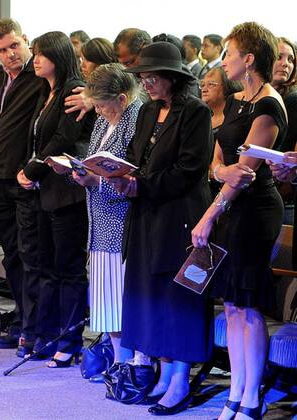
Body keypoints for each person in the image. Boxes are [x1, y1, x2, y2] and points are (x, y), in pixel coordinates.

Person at [108, 41, 213, 415]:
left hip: (180, 215)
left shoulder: (196, 113)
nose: (147, 84)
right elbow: (139, 158)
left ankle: (180, 378)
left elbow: (189, 170)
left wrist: (142, 184)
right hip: (147, 215)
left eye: (152, 77)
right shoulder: (149, 110)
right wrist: (122, 175)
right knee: (150, 293)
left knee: (178, 298)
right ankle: (166, 373)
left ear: (172, 77)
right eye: (143, 78)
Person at [192, 22, 285, 420]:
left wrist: (208, 215)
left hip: (254, 211)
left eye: (229, 53)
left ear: (248, 59)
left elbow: (246, 172)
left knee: (247, 307)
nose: (223, 60)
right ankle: (235, 391)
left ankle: (251, 396)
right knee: (229, 305)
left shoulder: (269, 104)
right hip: (229, 206)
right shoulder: (233, 102)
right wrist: (218, 173)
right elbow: (217, 159)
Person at [18, 31, 94, 365]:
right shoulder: (44, 91)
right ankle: (45, 336)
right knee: (47, 266)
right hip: (45, 191)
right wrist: (31, 169)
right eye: (34, 53)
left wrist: (31, 170)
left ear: (59, 57)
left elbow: (64, 138)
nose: (35, 59)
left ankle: (70, 340)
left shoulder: (74, 90)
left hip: (67, 191)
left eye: (42, 54)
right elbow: (37, 139)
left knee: (68, 268)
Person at [71, 63, 143, 378]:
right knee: (106, 300)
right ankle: (117, 361)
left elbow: (132, 174)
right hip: (99, 222)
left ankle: (135, 365)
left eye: (102, 103)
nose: (98, 110)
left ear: (123, 98)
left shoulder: (135, 118)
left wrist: (95, 181)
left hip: (122, 220)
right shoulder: (104, 119)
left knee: (124, 298)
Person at [0, 19, 49, 353]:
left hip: (24, 175)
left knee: (28, 254)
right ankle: (23, 316)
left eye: (14, 46)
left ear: (25, 39)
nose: (11, 55)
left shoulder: (38, 77)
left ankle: (32, 324)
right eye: (2, 50)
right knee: (11, 253)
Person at [202, 66, 242, 196]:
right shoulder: (202, 118)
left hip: (227, 190)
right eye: (202, 84)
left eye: (211, 84)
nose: (204, 89)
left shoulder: (235, 121)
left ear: (228, 87)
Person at [272, 37, 297, 152]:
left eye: (291, 60)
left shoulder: (293, 100)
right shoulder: (242, 94)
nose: (285, 64)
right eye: (279, 57)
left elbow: (284, 147)